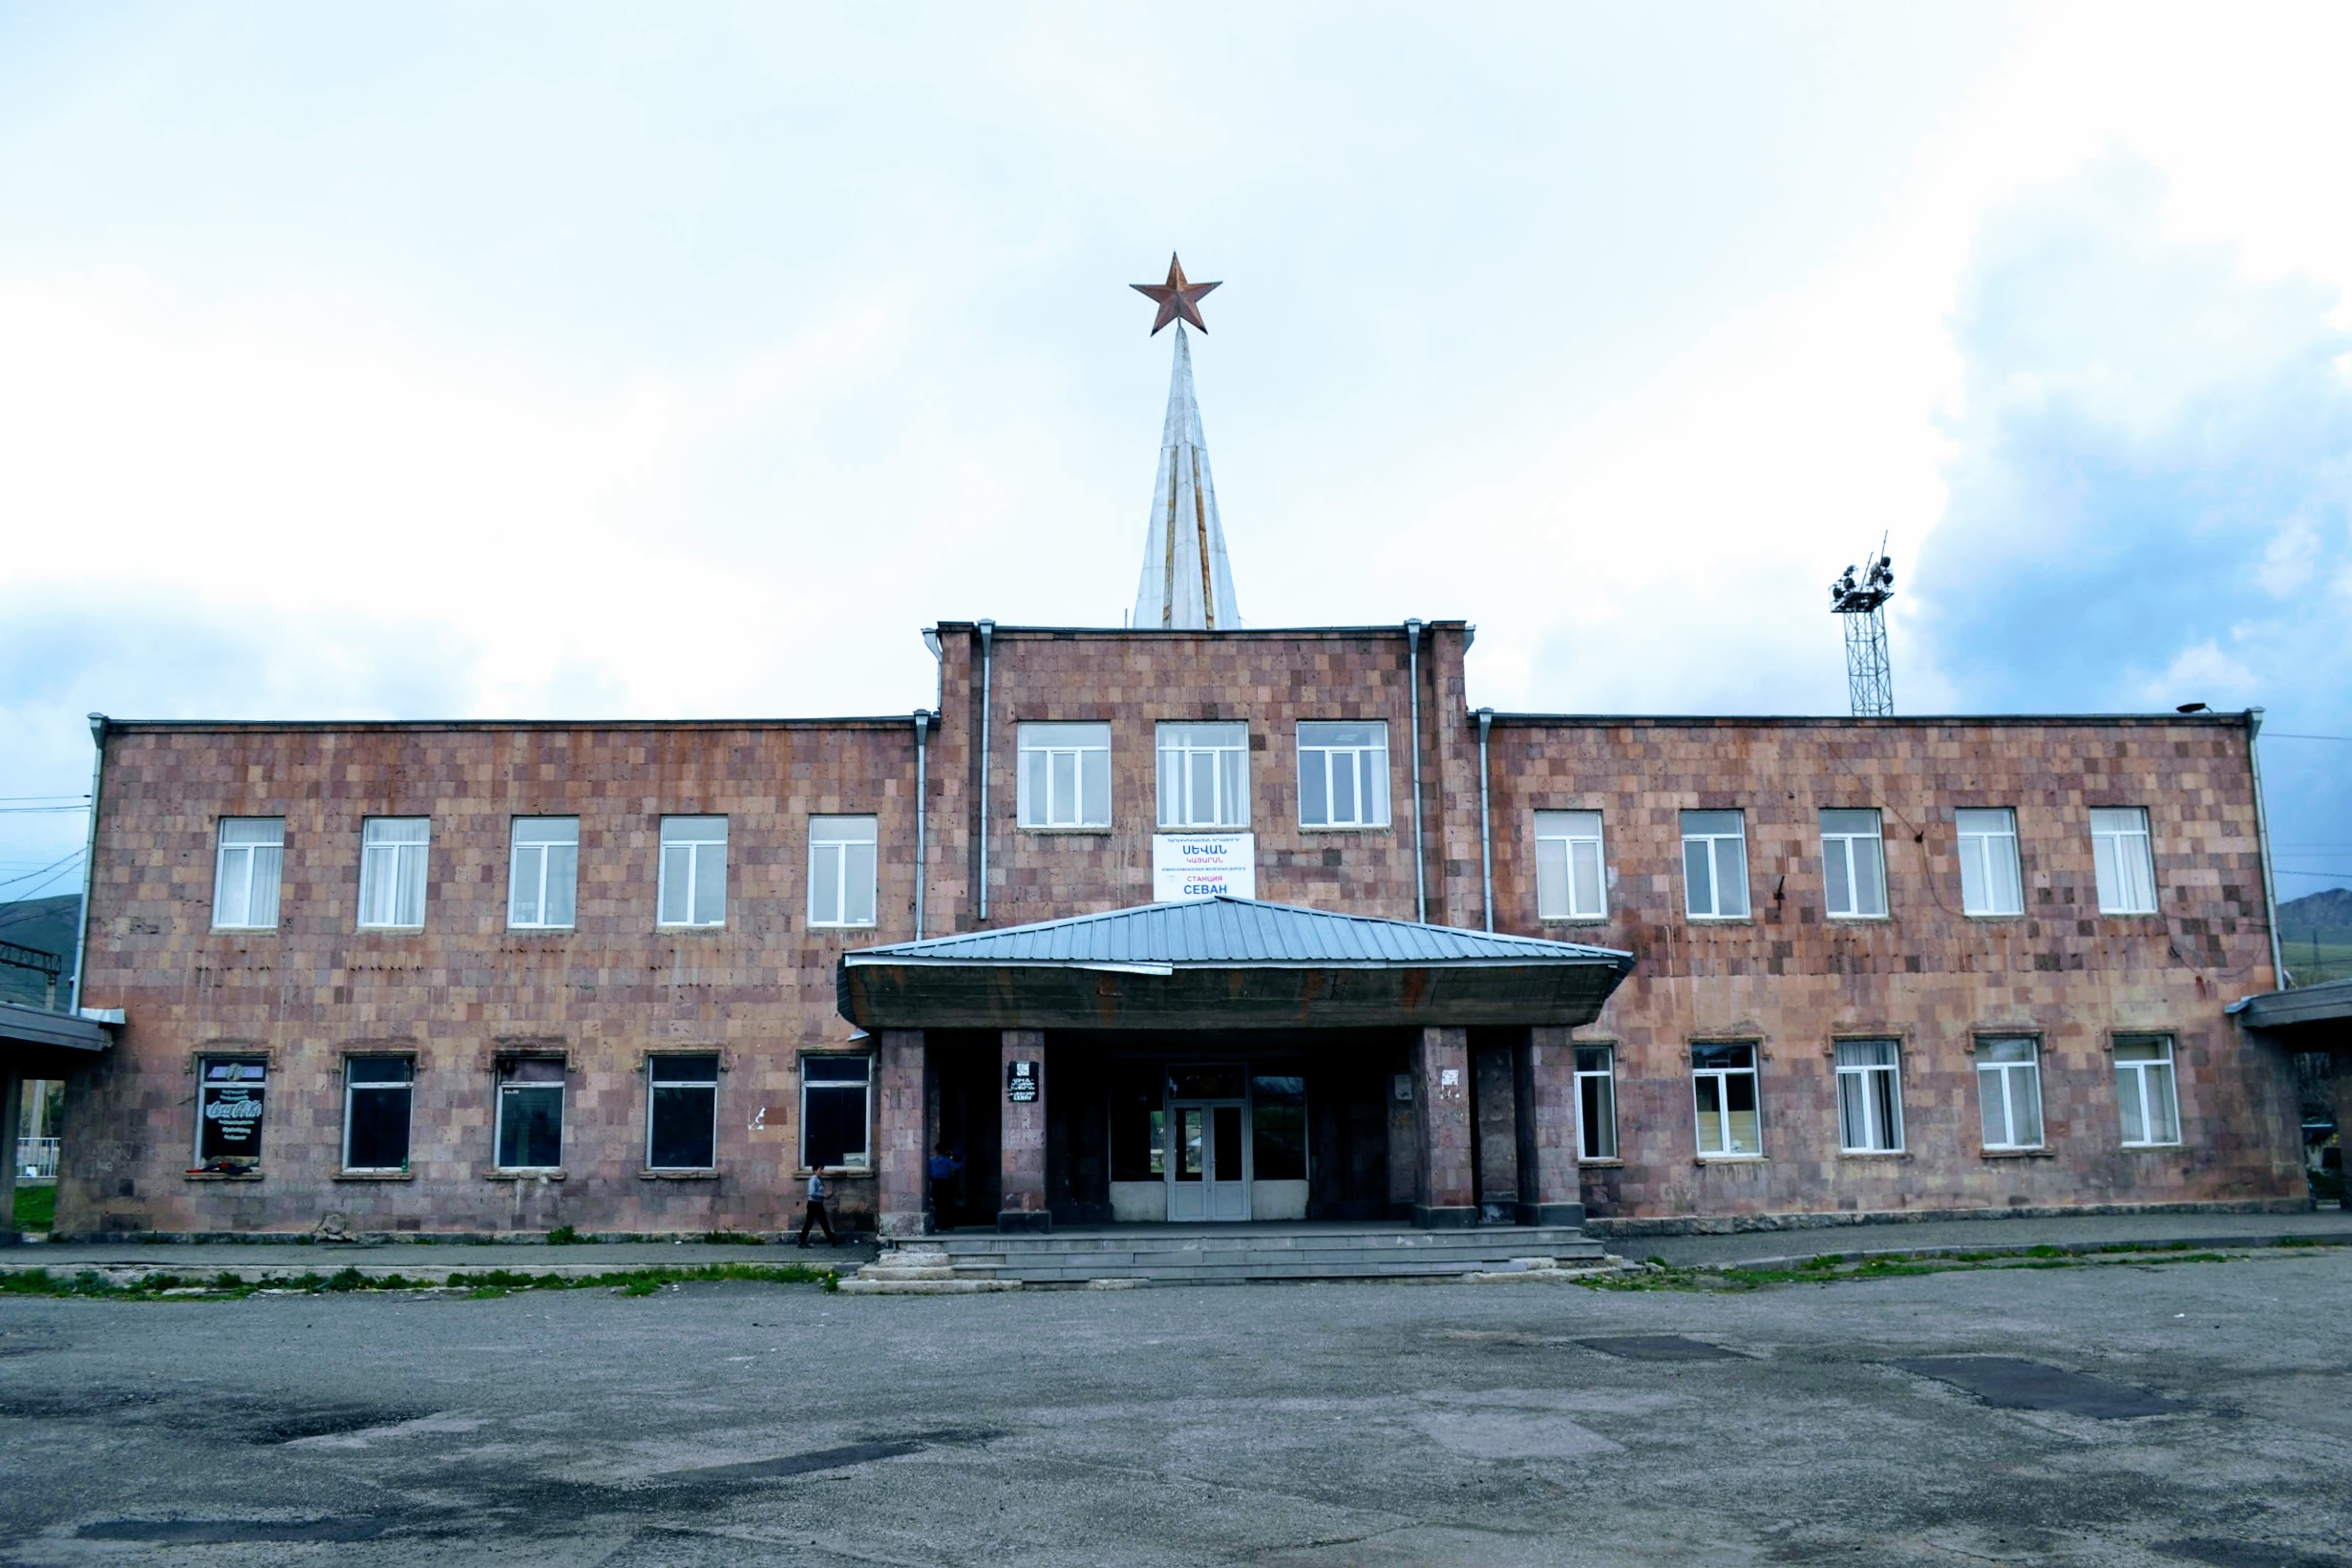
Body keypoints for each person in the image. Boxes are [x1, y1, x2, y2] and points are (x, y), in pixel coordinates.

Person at [797, 1162, 839, 1247]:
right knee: (815, 1223)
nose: (822, 1171)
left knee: (819, 1222)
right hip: (814, 1204)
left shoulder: (818, 1179)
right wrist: (824, 1195)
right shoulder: (814, 1179)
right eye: (820, 1169)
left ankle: (833, 1241)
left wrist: (826, 1196)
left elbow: (817, 1192)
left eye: (822, 1169)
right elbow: (812, 1193)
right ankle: (832, 1241)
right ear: (815, 1170)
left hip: (817, 1204)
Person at [926, 1141, 964, 1227]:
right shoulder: (947, 1160)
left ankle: (939, 1224)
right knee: (946, 1203)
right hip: (945, 1183)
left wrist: (931, 1179)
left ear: (936, 1150)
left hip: (935, 1183)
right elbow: (957, 1167)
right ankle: (946, 1224)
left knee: (937, 1203)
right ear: (944, 1151)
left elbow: (928, 1171)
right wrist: (963, 1160)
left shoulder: (931, 1160)